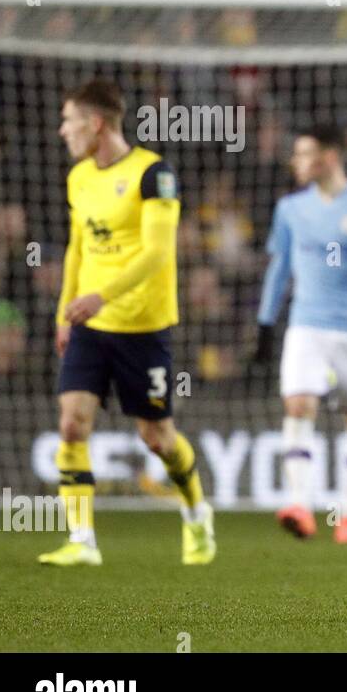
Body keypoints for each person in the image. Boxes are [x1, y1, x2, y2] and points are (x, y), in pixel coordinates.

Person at [41, 78, 215, 567]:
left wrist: (102, 296)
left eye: (69, 120)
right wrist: (65, 312)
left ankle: (197, 512)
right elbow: (78, 248)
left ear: (96, 124)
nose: (62, 131)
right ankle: (82, 540)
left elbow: (158, 253)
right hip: (89, 326)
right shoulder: (79, 177)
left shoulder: (153, 175)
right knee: (73, 424)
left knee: (156, 438)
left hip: (142, 327)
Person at [254, 126, 347, 544]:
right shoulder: (290, 209)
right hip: (306, 325)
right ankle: (300, 505)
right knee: (299, 404)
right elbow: (279, 267)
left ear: (330, 158)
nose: (296, 162)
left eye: (304, 154)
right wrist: (266, 322)